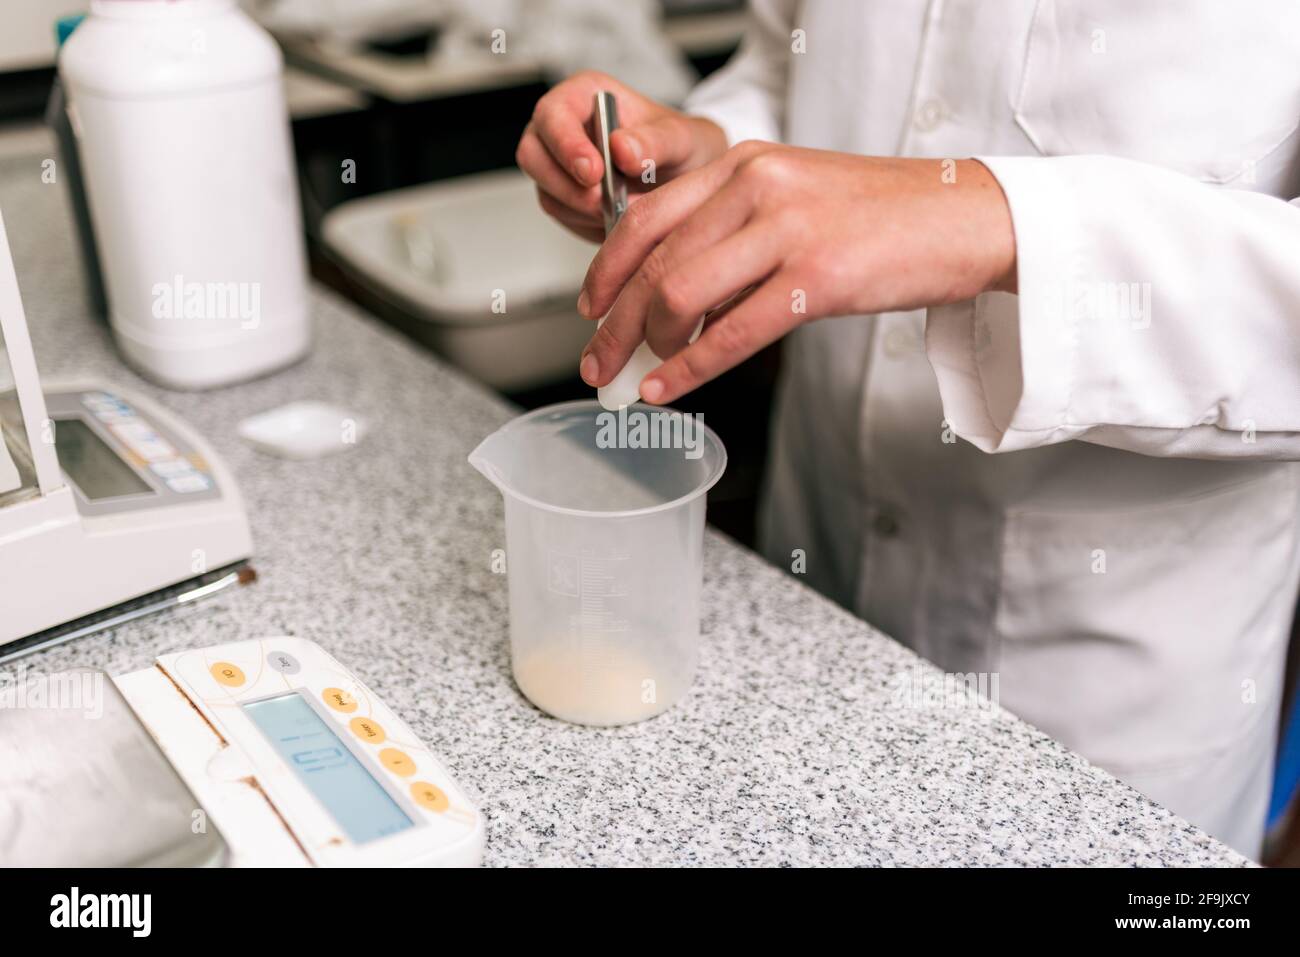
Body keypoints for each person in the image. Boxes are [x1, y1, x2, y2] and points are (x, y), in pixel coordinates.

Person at [514, 0, 1300, 857]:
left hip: (1099, 709)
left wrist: (997, 224)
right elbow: (789, 61)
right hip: (806, 604)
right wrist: (714, 160)